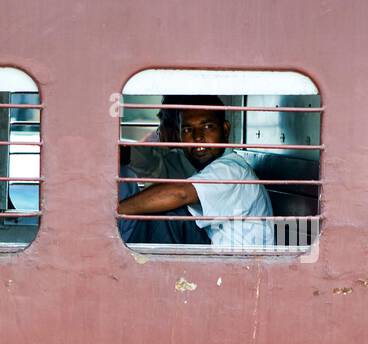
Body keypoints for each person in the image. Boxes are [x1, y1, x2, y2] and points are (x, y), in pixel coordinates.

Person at [117, 95, 274, 249]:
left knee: (168, 214)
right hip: (219, 257)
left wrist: (115, 210)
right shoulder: (205, 166)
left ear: (225, 130)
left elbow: (180, 194)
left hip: (238, 267)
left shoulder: (232, 170)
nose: (197, 137)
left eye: (207, 127)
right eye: (187, 130)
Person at [122, 96, 210, 245]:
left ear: (175, 128)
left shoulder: (179, 159)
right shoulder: (167, 153)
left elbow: (179, 193)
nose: (159, 131)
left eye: (162, 123)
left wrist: (116, 210)